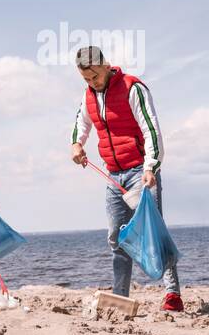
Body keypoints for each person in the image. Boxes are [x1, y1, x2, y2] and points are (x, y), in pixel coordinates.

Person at [70, 46, 184, 311]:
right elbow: (80, 124)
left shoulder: (133, 88)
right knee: (117, 237)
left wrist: (151, 167)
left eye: (95, 76)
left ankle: (172, 294)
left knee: (154, 233)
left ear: (107, 65)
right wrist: (77, 144)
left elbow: (151, 128)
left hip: (139, 171)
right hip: (113, 175)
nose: (92, 83)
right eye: (86, 79)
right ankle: (120, 296)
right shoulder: (88, 97)